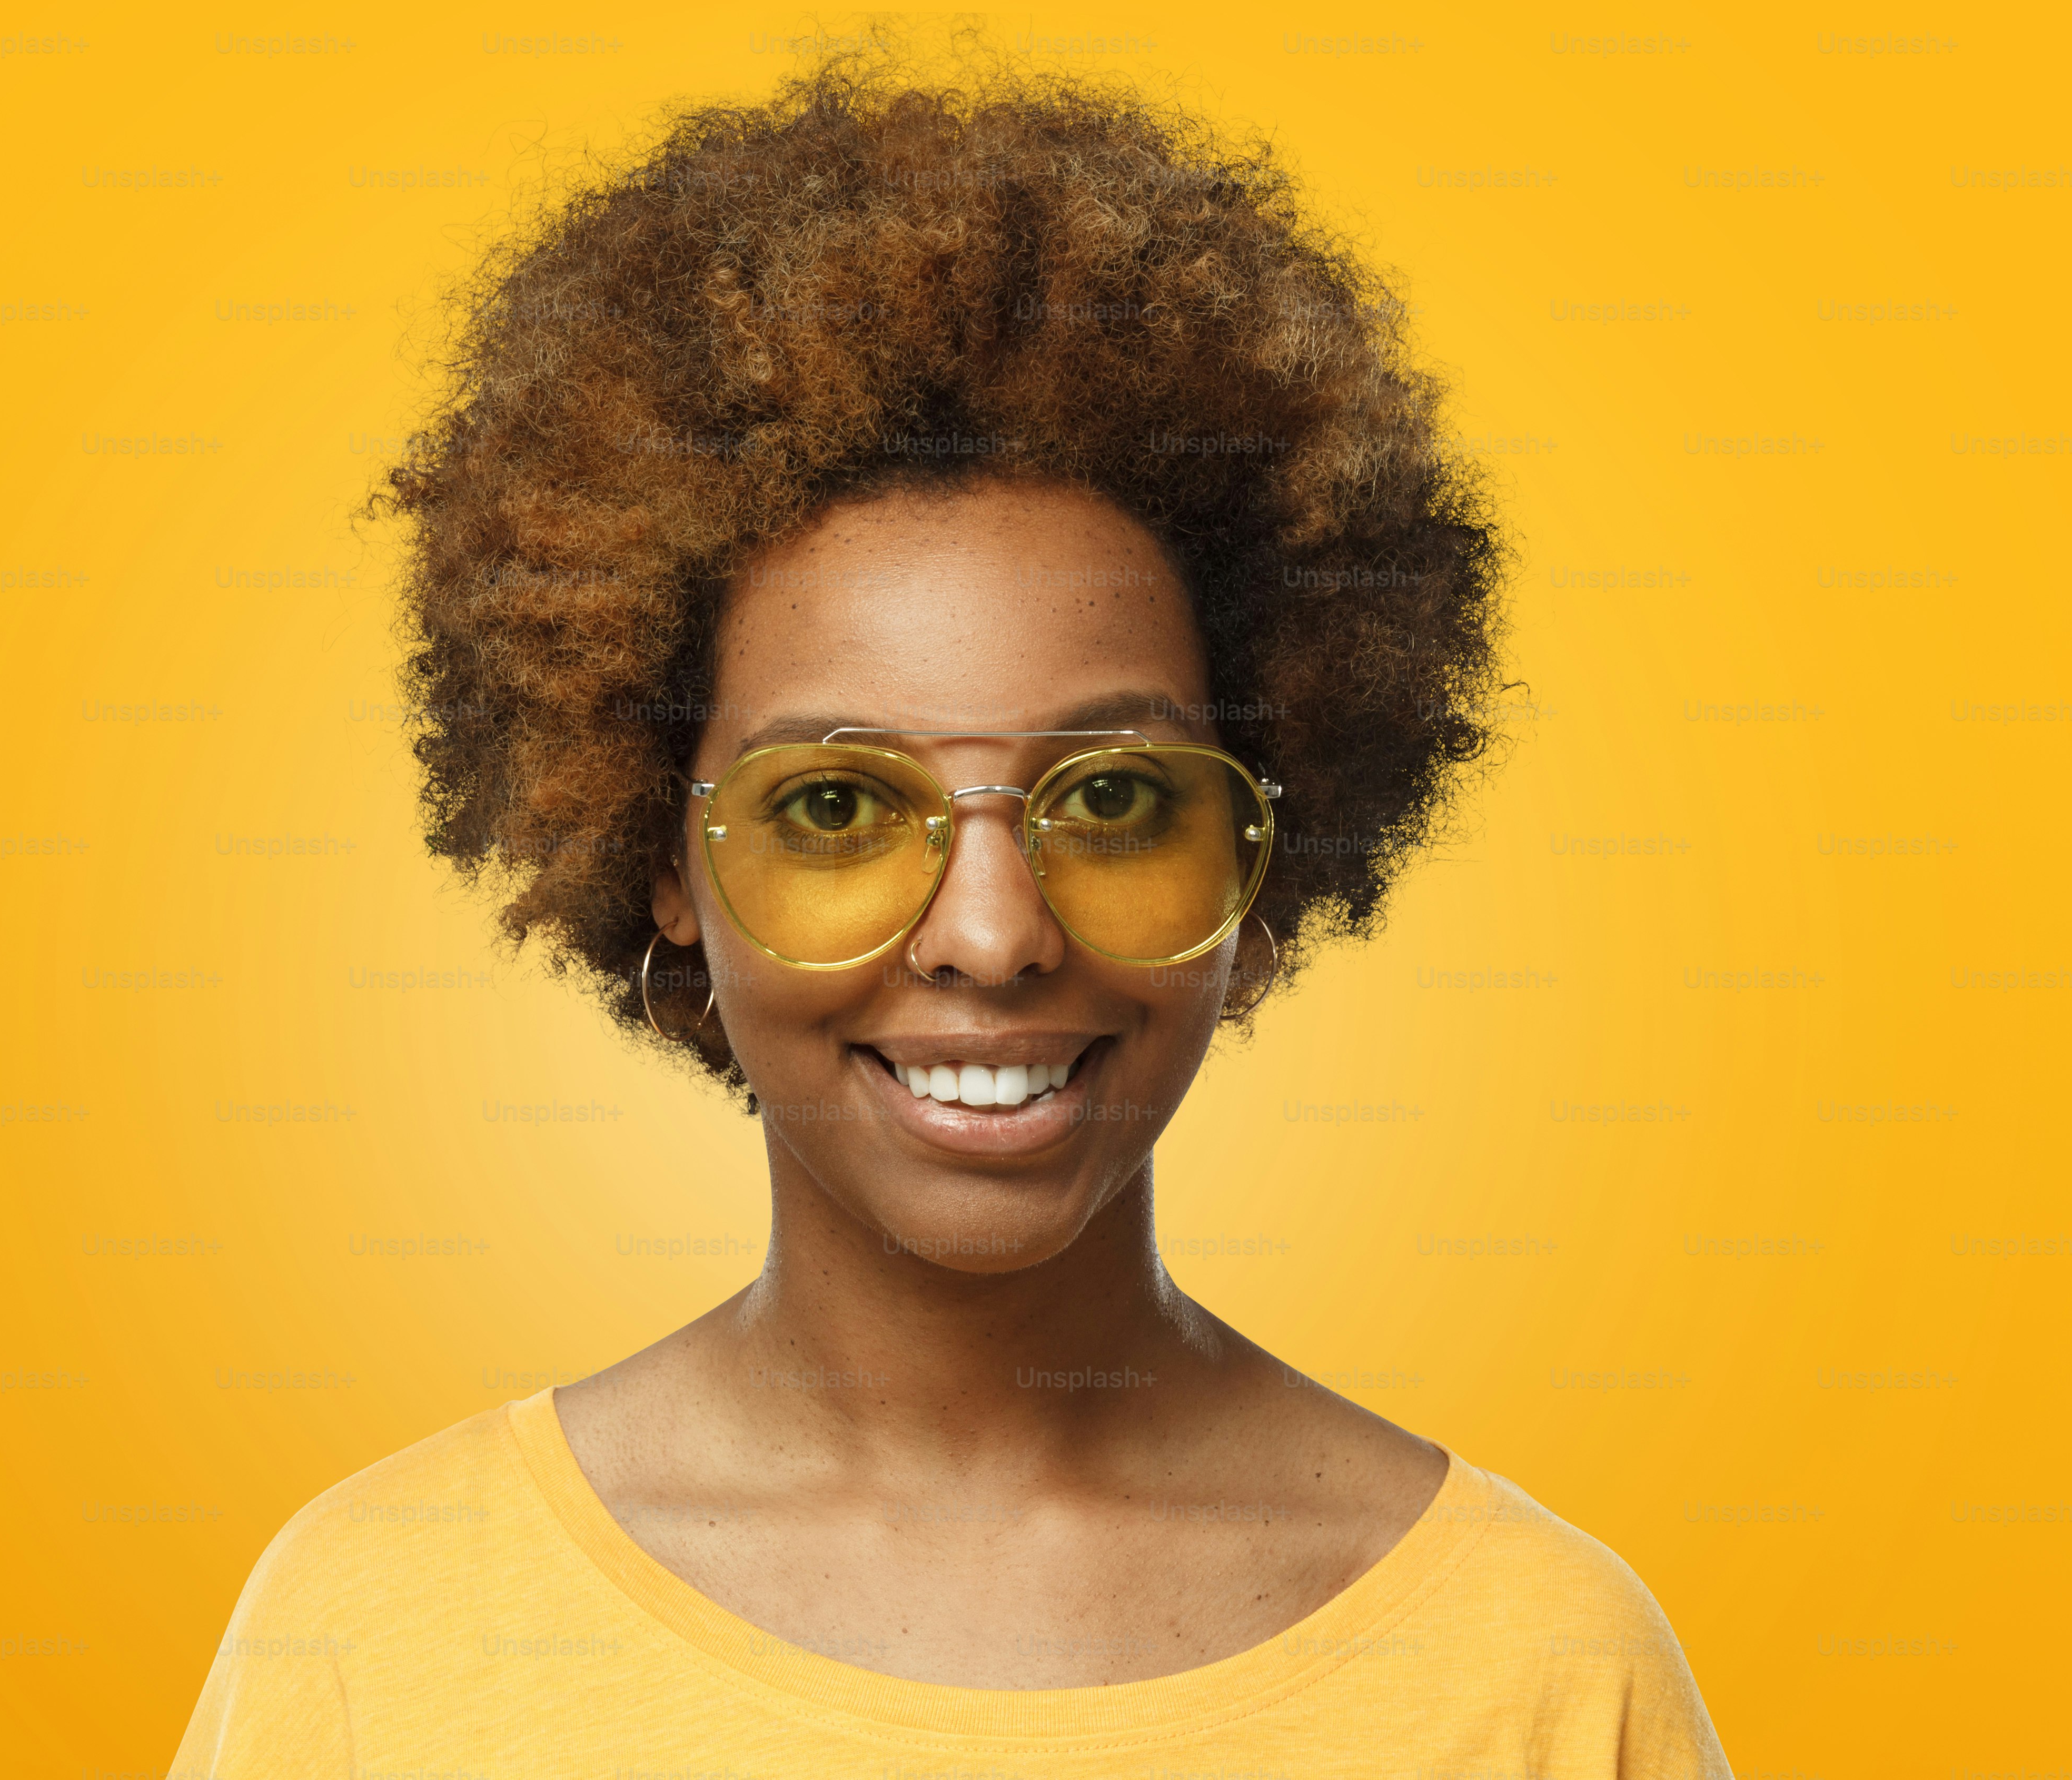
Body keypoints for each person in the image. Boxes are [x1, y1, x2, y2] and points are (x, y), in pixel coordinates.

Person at [173, 53, 1729, 1776]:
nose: (992, 936)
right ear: (661, 865)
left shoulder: (1539, 1672)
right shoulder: (383, 1635)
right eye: (836, 804)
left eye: (1118, 797)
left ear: (1260, 860)